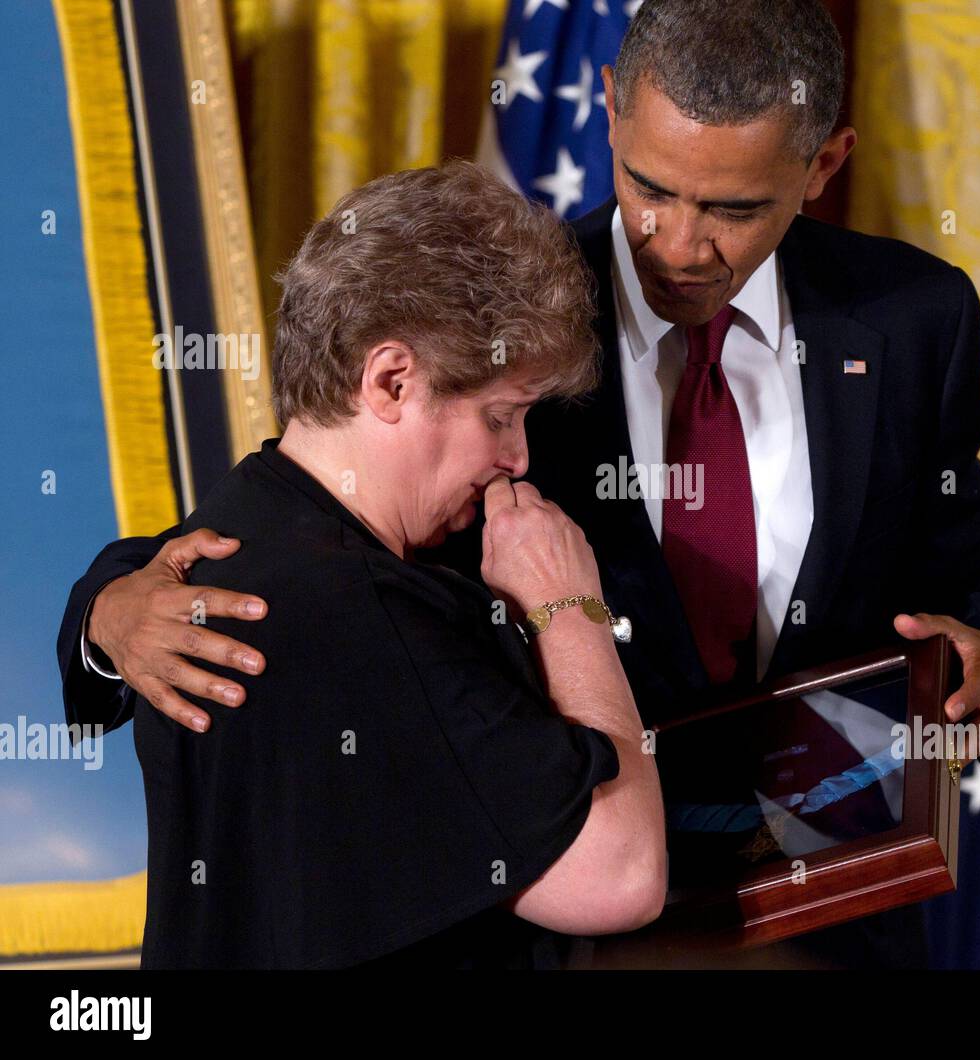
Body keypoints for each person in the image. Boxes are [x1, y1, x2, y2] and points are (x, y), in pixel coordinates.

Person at [58, 0, 980, 969]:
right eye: (648, 186)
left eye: (731, 208)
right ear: (609, 106)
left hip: (833, 913)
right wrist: (108, 609)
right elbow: (316, 502)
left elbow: (966, 567)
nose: (675, 241)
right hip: (573, 930)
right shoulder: (507, 313)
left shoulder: (913, 316)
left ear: (821, 166)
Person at [89, 161, 666, 968]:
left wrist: (100, 604)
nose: (518, 455)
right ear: (392, 380)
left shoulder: (231, 526)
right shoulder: (378, 614)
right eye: (501, 416)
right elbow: (622, 875)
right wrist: (572, 608)